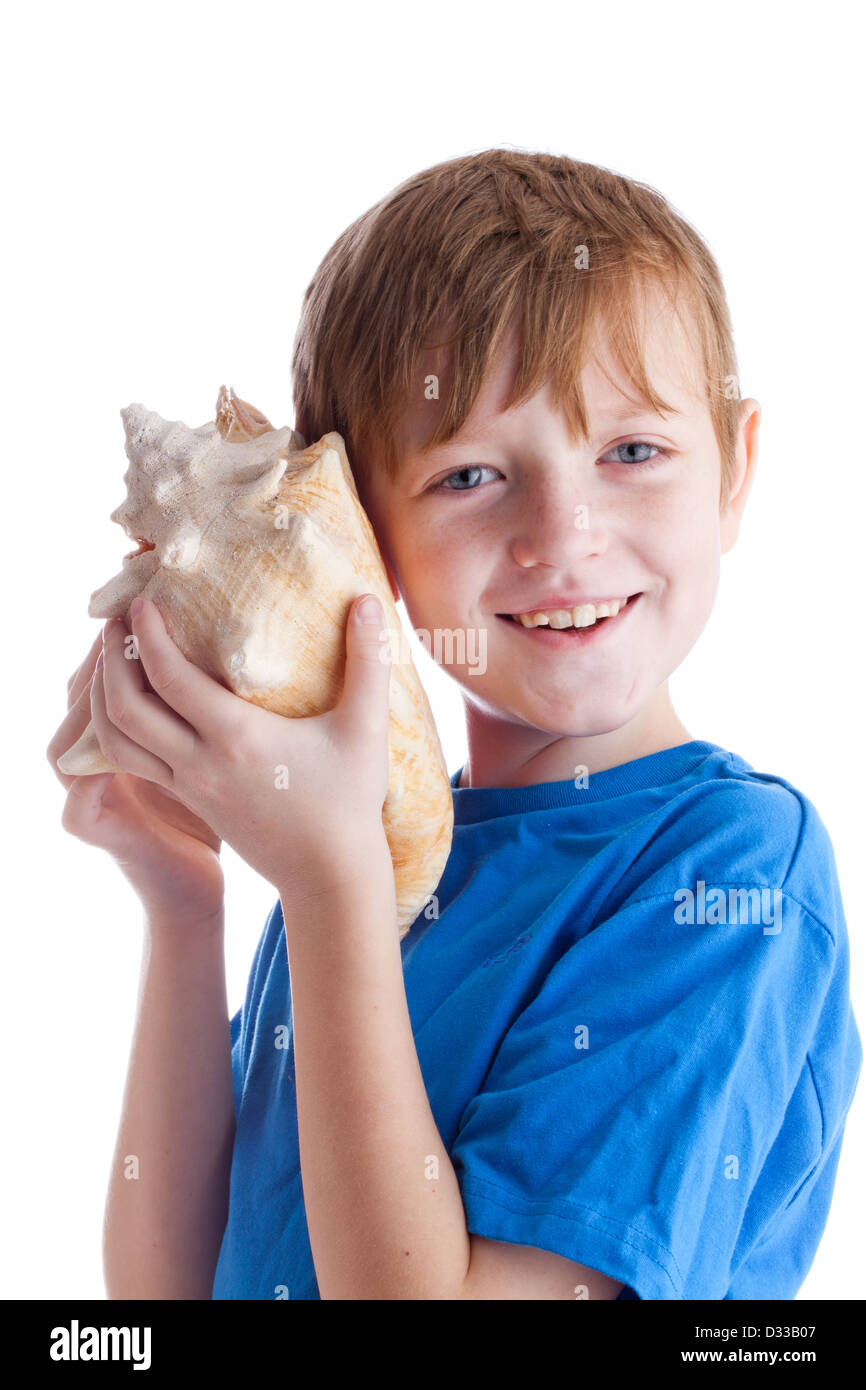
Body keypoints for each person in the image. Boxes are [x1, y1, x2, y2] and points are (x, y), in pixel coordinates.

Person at [49, 149, 861, 1300]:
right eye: (470, 476)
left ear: (732, 472)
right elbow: (163, 1295)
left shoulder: (729, 876)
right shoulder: (366, 857)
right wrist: (184, 900)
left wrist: (331, 887)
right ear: (362, 536)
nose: (561, 533)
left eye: (631, 450)